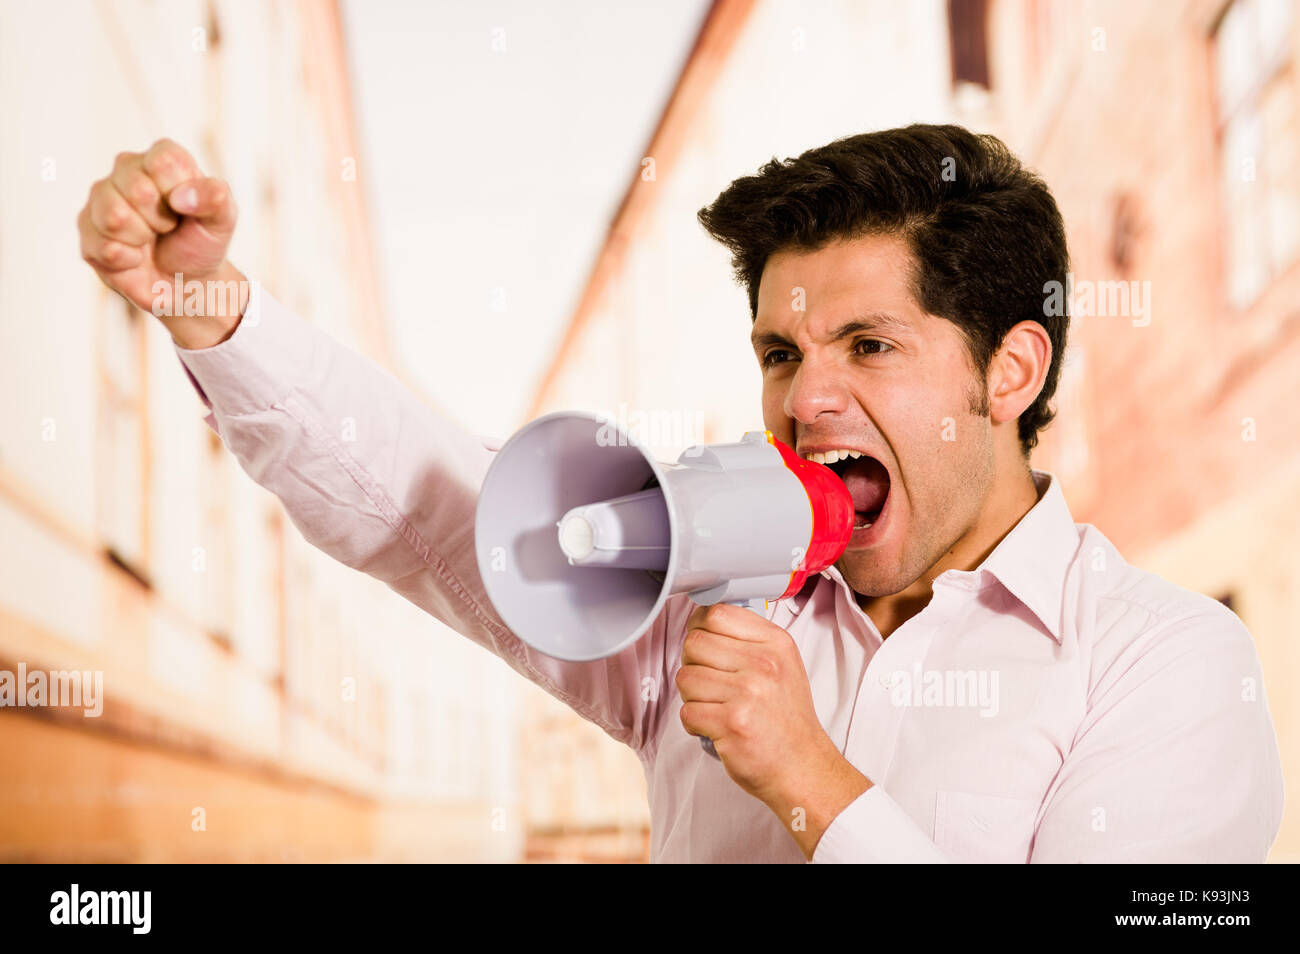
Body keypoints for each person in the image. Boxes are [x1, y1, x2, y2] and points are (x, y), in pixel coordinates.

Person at [77, 126, 1285, 863]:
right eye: (779, 353)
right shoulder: (706, 606)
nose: (805, 403)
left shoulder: (1167, 664)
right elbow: (434, 508)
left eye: (868, 347)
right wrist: (206, 307)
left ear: (1010, 370)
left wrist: (811, 783)